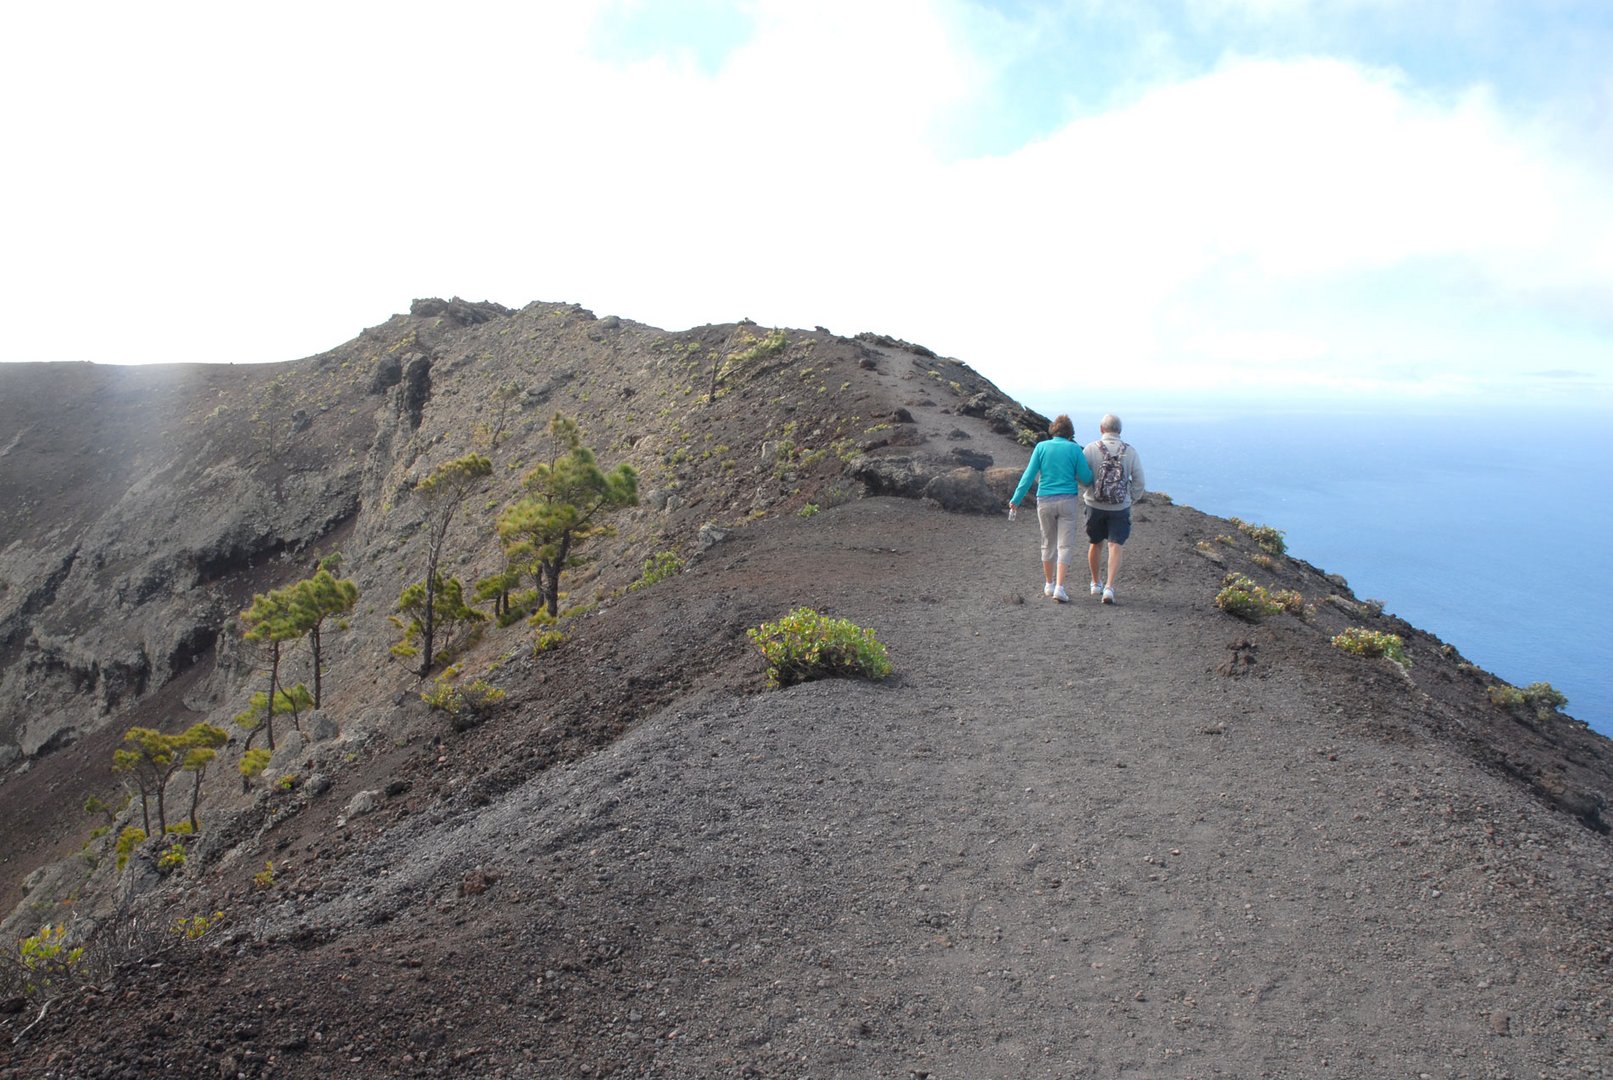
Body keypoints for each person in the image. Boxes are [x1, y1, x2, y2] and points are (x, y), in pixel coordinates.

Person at [1008, 414, 1094, 603]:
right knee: (1065, 545)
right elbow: (1086, 478)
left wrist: (1016, 499)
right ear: (1070, 433)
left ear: (1053, 430)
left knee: (1048, 542)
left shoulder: (1041, 447)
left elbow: (1028, 476)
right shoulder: (1073, 449)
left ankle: (1049, 584)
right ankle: (1060, 588)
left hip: (1045, 500)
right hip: (1067, 501)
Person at [1082, 413, 1145, 605]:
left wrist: (1090, 491)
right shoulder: (1130, 451)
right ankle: (1109, 587)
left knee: (1095, 543)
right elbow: (1139, 481)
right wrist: (1129, 498)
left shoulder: (1091, 449)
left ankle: (1095, 583)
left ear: (1102, 429)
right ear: (1120, 431)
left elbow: (1082, 475)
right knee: (1115, 545)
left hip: (1094, 504)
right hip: (1120, 506)